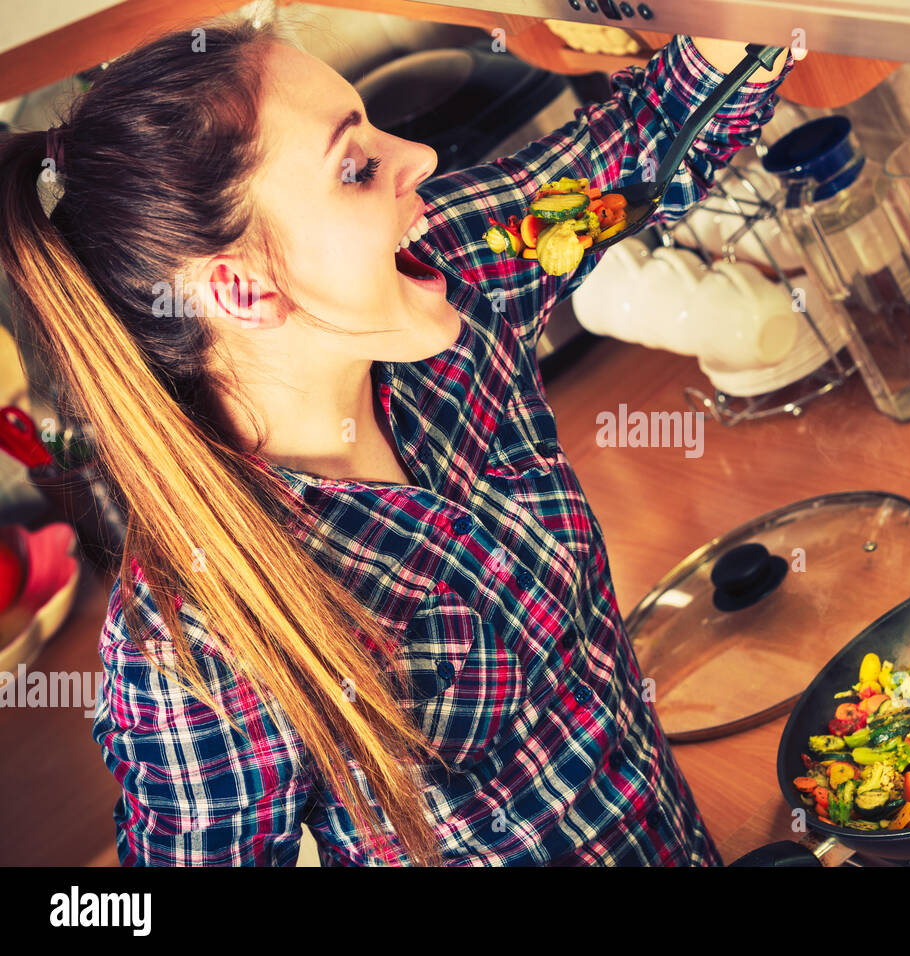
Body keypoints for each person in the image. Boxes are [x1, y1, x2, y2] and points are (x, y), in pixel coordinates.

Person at [0, 15, 795, 865]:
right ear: (238, 289)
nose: (419, 160)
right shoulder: (194, 644)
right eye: (355, 167)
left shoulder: (443, 268)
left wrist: (742, 22)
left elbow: (635, 150)